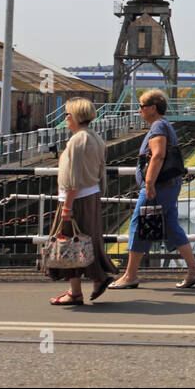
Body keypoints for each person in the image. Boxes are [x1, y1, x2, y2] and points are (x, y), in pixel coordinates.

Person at [111, 89, 195, 290]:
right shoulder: (163, 125)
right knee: (171, 226)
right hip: (167, 186)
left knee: (138, 223)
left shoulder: (158, 127)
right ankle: (194, 271)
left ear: (153, 108)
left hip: (159, 187)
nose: (139, 110)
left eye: (142, 106)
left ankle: (130, 275)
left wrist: (149, 183)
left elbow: (158, 155)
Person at [47, 98, 120, 304]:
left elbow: (73, 177)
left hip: (76, 199)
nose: (66, 118)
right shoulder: (95, 137)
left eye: (68, 114)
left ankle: (81, 288)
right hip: (91, 196)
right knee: (86, 241)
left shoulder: (78, 140)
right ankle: (90, 282)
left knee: (71, 243)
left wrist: (67, 206)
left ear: (77, 116)